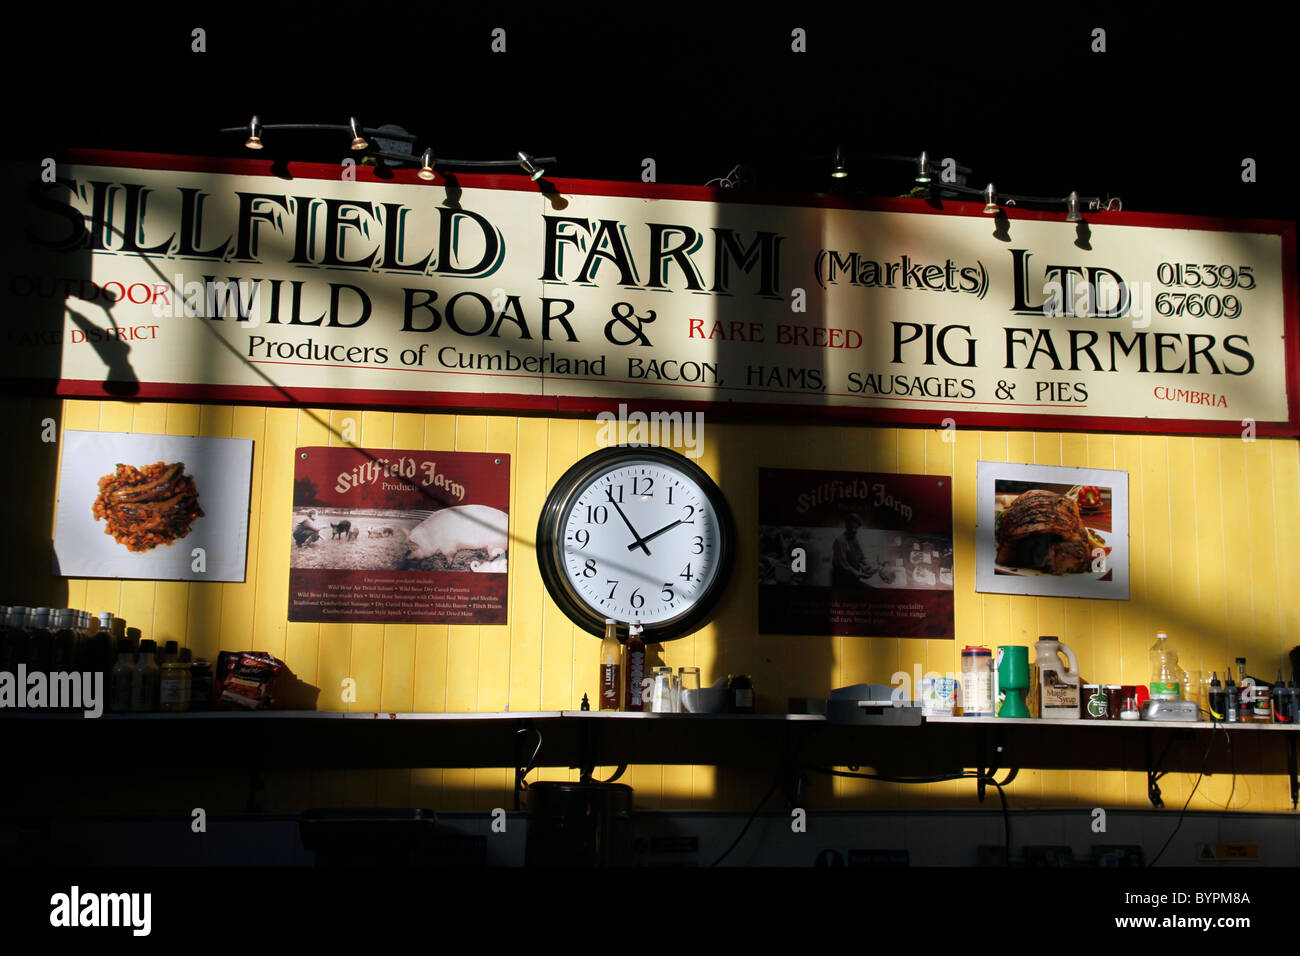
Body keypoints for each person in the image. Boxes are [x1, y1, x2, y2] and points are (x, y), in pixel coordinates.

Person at [831, 513, 879, 589]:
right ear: (846, 526)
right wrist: (860, 574)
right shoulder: (840, 541)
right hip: (842, 583)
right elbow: (844, 565)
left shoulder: (855, 540)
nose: (854, 530)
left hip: (854, 581)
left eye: (856, 528)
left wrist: (868, 566)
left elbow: (862, 557)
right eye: (851, 527)